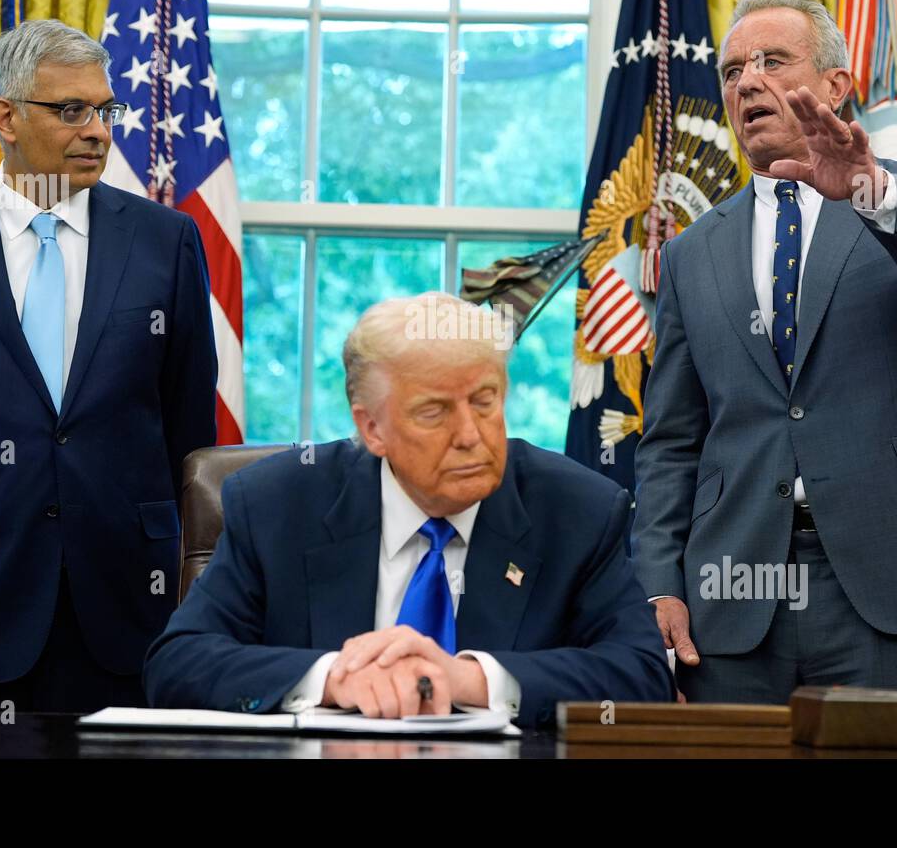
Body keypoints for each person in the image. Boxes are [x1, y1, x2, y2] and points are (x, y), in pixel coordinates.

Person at [633, 0, 897, 704]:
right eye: (730, 72)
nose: (746, 82)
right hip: (733, 596)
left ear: (835, 86)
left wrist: (873, 195)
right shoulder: (693, 253)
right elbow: (671, 440)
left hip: (895, 585)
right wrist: (659, 582)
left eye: (771, 62)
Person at [0, 19, 218, 712]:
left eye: (105, 110)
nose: (97, 130)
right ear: (6, 117)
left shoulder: (166, 242)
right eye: (70, 111)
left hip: (124, 614)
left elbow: (187, 430)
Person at [144, 293, 672, 727]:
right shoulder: (278, 505)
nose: (471, 435)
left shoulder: (577, 510)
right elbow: (178, 664)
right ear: (372, 428)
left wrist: (468, 678)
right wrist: (334, 678)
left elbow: (642, 676)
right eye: (434, 411)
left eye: (485, 401)